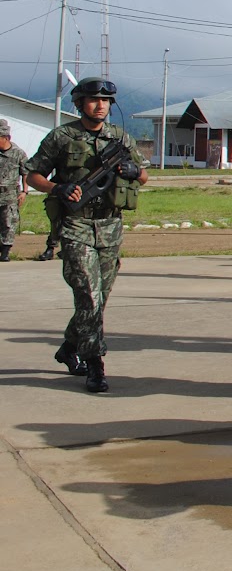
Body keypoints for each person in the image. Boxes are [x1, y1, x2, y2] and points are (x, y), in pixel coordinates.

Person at [23, 78, 148, 393]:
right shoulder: (62, 137)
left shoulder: (119, 137)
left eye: (106, 100)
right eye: (93, 100)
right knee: (89, 297)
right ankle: (95, 365)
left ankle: (68, 347)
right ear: (79, 104)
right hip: (76, 226)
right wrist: (57, 187)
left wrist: (135, 173)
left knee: (98, 299)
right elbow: (33, 173)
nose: (101, 105)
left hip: (110, 226)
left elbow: (143, 174)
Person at [0, 119, 29, 263]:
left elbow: (25, 173)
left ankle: (5, 251)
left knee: (8, 222)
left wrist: (24, 191)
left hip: (10, 194)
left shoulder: (18, 153)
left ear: (6, 138)